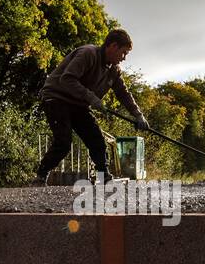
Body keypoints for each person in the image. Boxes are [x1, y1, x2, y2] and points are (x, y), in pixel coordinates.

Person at [33, 29, 148, 185]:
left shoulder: (114, 70)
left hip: (78, 104)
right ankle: (41, 176)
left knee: (97, 140)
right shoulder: (88, 54)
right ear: (113, 46)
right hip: (56, 98)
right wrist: (92, 98)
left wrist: (138, 115)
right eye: (124, 53)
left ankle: (104, 176)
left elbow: (123, 94)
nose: (124, 58)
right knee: (64, 141)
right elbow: (67, 79)